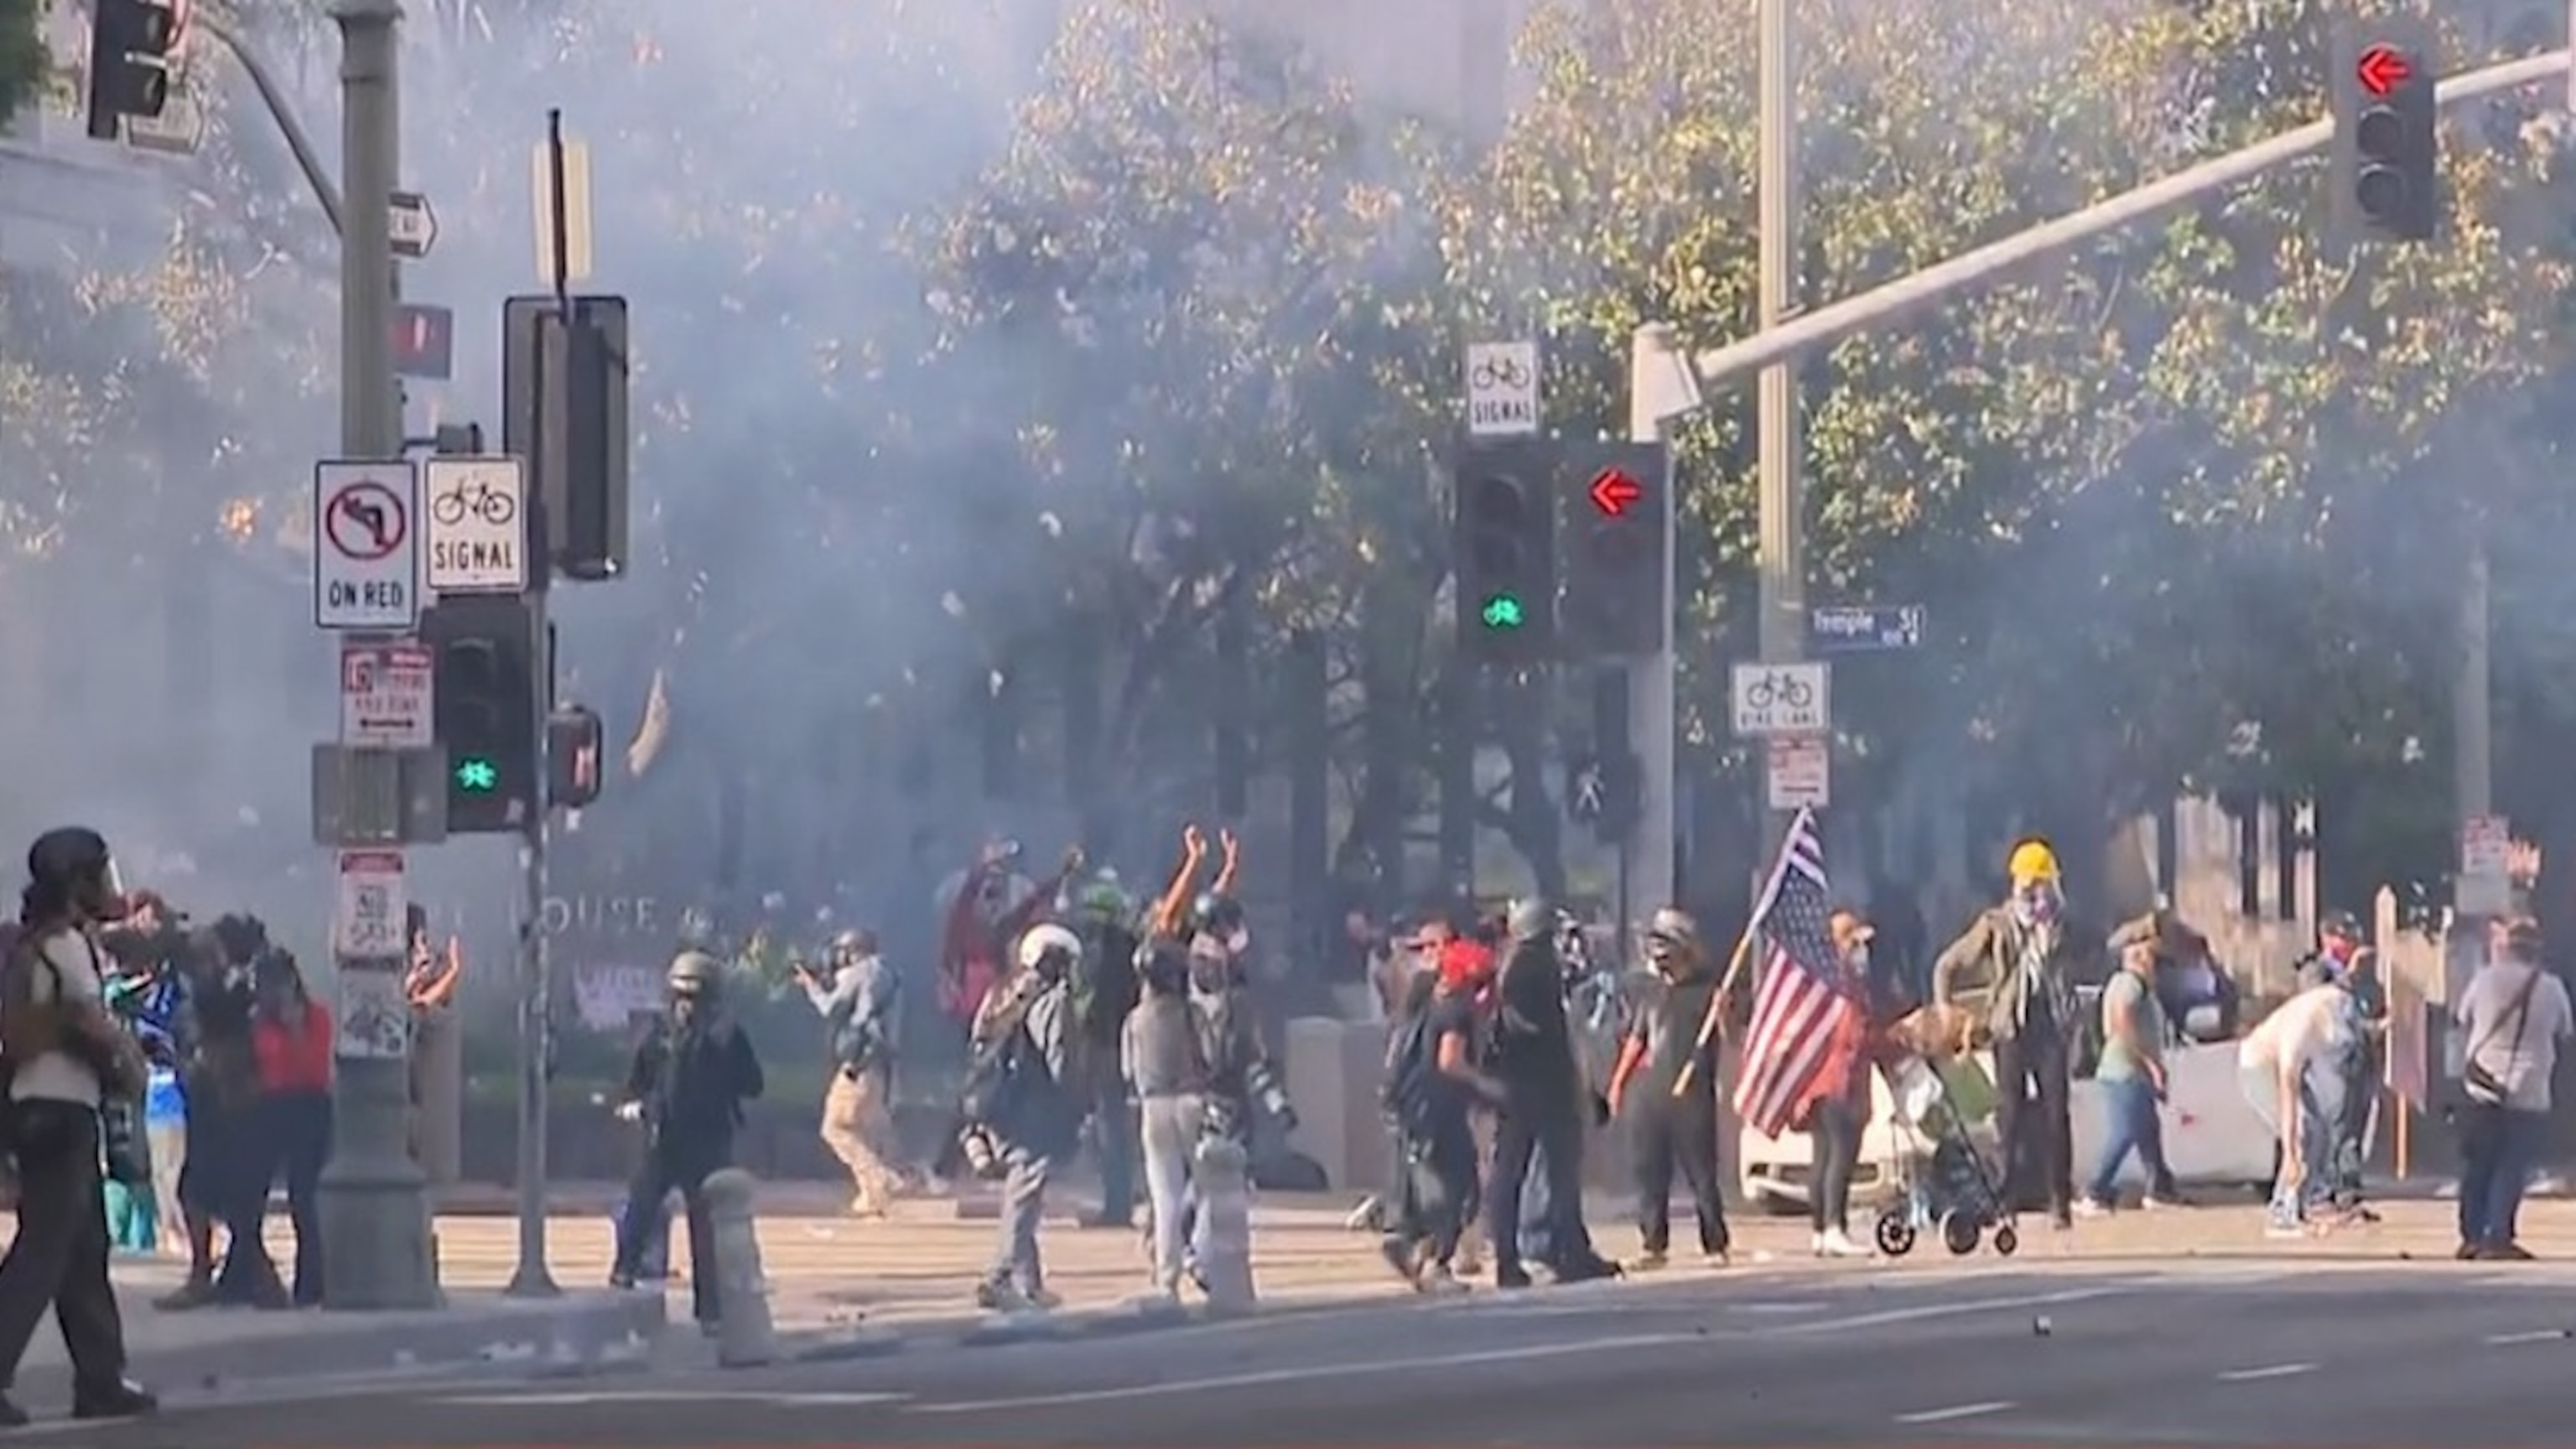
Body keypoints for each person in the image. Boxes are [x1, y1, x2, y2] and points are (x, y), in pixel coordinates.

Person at [0, 827, 155, 1424]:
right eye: (97, 876)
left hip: (38, 1110)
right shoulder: (64, 943)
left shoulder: (32, 943)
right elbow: (89, 1019)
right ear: (75, 883)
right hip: (61, 1110)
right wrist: (127, 1058)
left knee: (84, 1248)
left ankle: (100, 1378)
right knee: (43, 1250)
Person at [1933, 839, 2092, 1229]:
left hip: (2051, 1026)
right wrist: (1944, 1004)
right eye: (2031, 887)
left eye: (2045, 887)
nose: (2039, 896)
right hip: (2011, 1028)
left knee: (2056, 1114)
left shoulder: (2063, 925)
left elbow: (2094, 951)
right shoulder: (1997, 925)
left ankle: (2060, 1200)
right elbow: (1949, 964)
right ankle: (2005, 1200)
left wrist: (2056, 936)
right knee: (2011, 1113)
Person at [610, 952, 766, 1331]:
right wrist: (636, 1105)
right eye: (681, 997)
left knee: (706, 1227)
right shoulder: (660, 1034)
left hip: (707, 1141)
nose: (687, 1006)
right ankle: (623, 1276)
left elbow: (753, 1084)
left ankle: (709, 1308)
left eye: (695, 998)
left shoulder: (726, 1036)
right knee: (641, 1210)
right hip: (664, 1138)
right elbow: (636, 1081)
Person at [1483, 898, 1618, 1288]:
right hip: (1543, 1085)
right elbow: (1555, 1034)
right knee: (1552, 1171)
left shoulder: (1513, 966)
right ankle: (1564, 1252)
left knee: (1513, 1172)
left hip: (1518, 1084)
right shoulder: (1535, 967)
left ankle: (1518, 1257)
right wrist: (1579, 1085)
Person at [963, 923, 1083, 1311]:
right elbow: (1060, 1062)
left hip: (998, 1107)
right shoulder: (1053, 1000)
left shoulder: (1005, 992)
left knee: (1021, 1192)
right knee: (1024, 1196)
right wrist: (1073, 1107)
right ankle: (998, 1278)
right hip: (1033, 1110)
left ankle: (1028, 1284)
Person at [1604, 908, 1729, 1269]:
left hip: (1692, 1092)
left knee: (1701, 1172)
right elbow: (1637, 1042)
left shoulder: (1708, 992)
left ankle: (1714, 1243)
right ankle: (1653, 1243)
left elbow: (1731, 1040)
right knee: (1650, 1171)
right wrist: (1618, 1084)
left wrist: (1725, 1014)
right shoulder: (1652, 994)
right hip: (1651, 1092)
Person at [1376, 937, 1493, 1292]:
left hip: (1415, 1110)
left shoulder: (1425, 1004)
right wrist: (1487, 1085)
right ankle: (1434, 1262)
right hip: (1439, 1112)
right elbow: (1450, 1061)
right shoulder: (1455, 1009)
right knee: (1459, 1190)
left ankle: (1410, 1244)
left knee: (1424, 1185)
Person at [2452, 920, 2571, 1260]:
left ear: (2507, 948)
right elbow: (2564, 1032)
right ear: (2537, 951)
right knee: (2511, 1165)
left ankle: (2471, 1236)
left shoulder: (2484, 980)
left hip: (2483, 1086)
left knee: (2478, 1165)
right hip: (2529, 1088)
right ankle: (2498, 1236)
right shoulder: (2551, 988)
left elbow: (2463, 1019)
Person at [2237, 961, 2359, 1238]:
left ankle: (2303, 1204)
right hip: (2258, 1066)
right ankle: (2282, 1211)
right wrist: (2291, 1150)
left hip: (2288, 1069)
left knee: (2318, 1132)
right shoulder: (2301, 1026)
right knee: (2302, 1132)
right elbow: (2287, 1090)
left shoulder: (2336, 1006)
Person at [243, 951, 332, 1305]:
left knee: (304, 1197)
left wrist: (295, 1029)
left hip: (308, 1105)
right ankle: (257, 1277)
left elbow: (315, 1071)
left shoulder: (316, 1018)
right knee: (251, 1194)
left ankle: (310, 1283)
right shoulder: (257, 1022)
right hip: (268, 1106)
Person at [1124, 938, 1209, 1301]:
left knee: (1164, 1196)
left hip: (1152, 1105)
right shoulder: (1192, 1013)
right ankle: (1206, 1261)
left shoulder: (1133, 1020)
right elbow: (1208, 1055)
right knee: (1207, 1189)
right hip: (1192, 1101)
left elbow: (1128, 1069)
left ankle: (1167, 1278)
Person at [2077, 918, 2180, 1216]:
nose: (2155, 961)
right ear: (2136, 954)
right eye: (2150, 953)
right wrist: (2149, 1063)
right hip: (2125, 1071)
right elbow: (2122, 1022)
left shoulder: (2140, 986)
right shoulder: (2129, 984)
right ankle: (2095, 1191)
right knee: (2125, 1131)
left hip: (2135, 1071)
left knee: (2148, 1130)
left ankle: (2160, 1188)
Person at [799, 928, 901, 1218]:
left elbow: (831, 1008)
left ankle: (880, 1178)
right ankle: (872, 1197)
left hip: (859, 1060)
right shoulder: (890, 973)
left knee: (836, 1127)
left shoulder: (861, 972)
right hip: (881, 1060)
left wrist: (812, 986)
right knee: (869, 1129)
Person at [1065, 874, 1143, 1229]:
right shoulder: (1132, 947)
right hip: (1126, 1042)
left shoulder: (1099, 951)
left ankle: (1117, 1205)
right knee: (1113, 1125)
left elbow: (1089, 1003)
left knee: (1109, 1125)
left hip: (1102, 1045)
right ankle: (1120, 1198)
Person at [1800, 908, 1878, 1256]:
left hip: (1818, 1083)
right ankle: (1834, 1225)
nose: (1862, 949)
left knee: (1822, 1154)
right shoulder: (1844, 987)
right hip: (1840, 1082)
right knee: (1840, 1157)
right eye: (1856, 942)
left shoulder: (1818, 983)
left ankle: (1819, 1229)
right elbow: (1854, 1036)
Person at [2307, 910, 2384, 1218]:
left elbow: (2366, 1010)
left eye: (2352, 937)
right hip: (2327, 1058)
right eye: (2343, 937)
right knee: (2332, 1124)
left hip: (2359, 1054)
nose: (2350, 943)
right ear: (2327, 938)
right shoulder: (2315, 970)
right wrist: (2350, 973)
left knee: (2355, 1124)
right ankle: (2322, 1190)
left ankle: (2348, 1189)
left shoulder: (2366, 976)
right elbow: (2322, 1004)